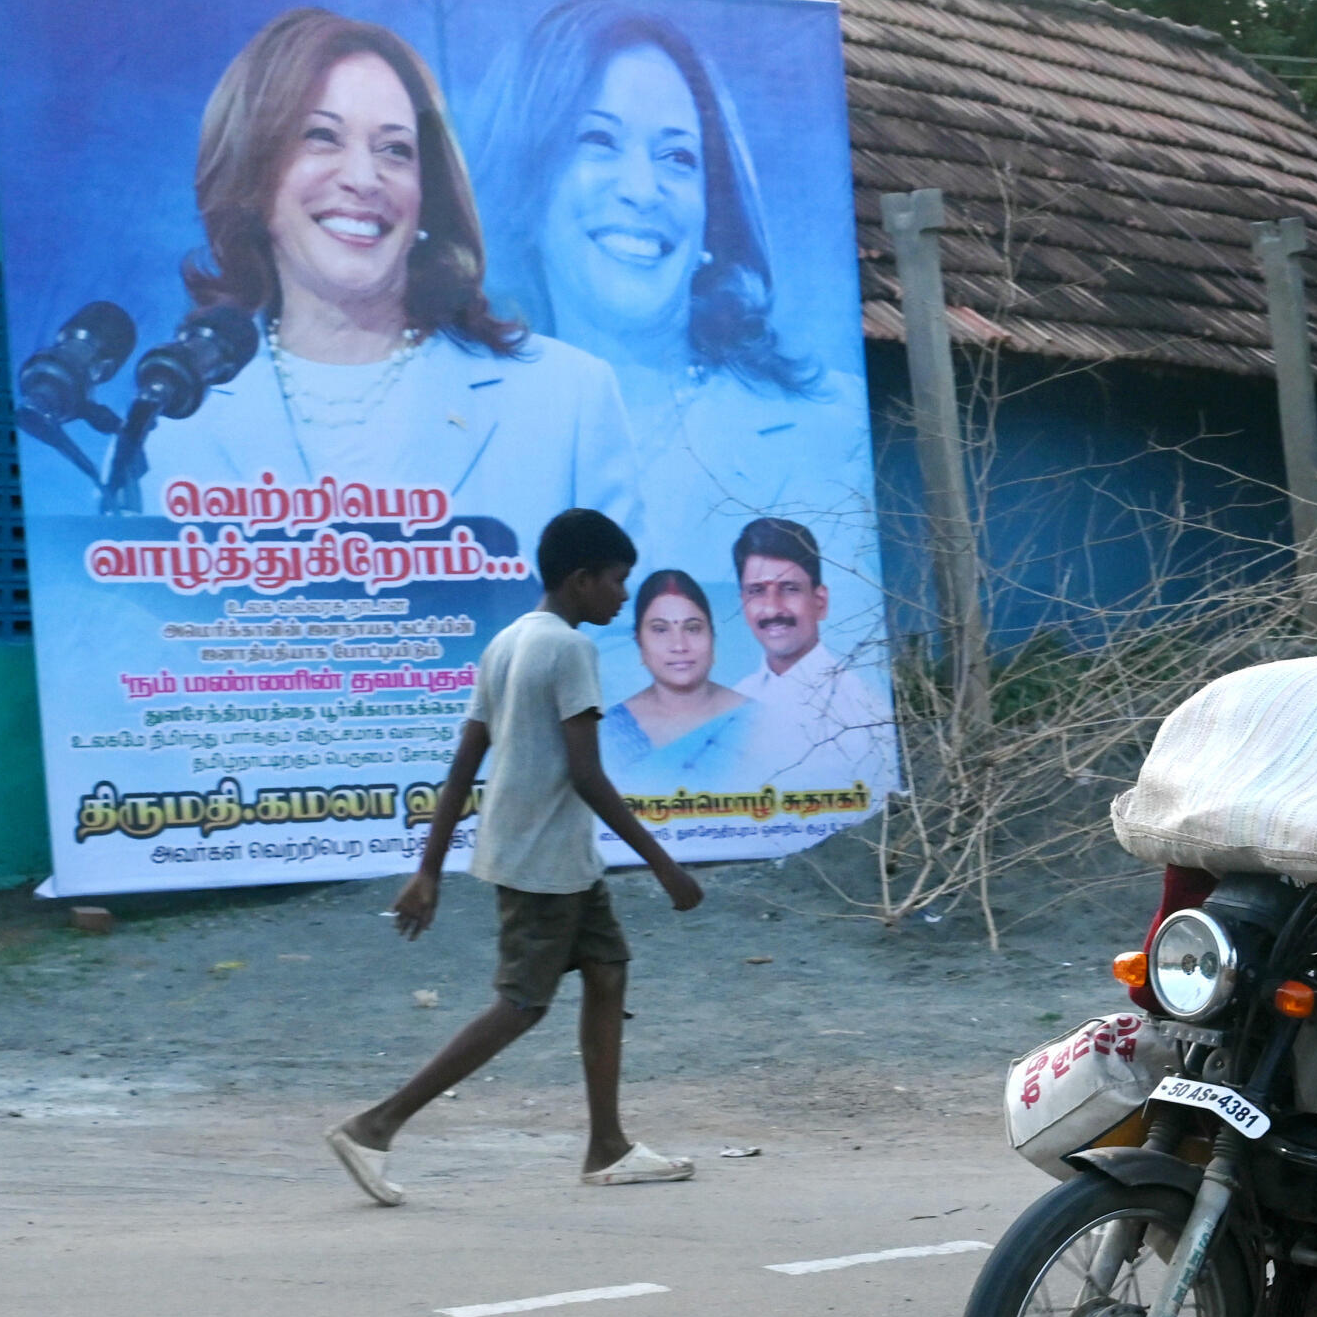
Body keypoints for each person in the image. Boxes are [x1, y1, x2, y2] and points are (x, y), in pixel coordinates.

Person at [325, 509, 705, 1205]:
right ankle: (375, 1126)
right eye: (618, 581)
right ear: (581, 578)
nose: (624, 597)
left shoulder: (506, 643)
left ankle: (607, 1147)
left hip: (551, 856)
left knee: (608, 968)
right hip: (543, 862)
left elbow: (466, 756)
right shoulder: (567, 650)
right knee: (521, 1004)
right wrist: (663, 862)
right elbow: (587, 774)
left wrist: (430, 867)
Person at [147, 8, 636, 540]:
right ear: (253, 172)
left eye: (396, 150)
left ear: (428, 195)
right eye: (321, 136)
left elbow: (622, 621)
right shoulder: (179, 421)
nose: (363, 179)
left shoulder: (570, 399)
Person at [471, 0, 864, 556]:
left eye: (677, 157)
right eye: (599, 141)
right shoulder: (449, 427)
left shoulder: (830, 425)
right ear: (527, 183)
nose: (642, 189)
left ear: (713, 210)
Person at [728, 517, 892, 788]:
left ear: (820, 602)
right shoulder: (734, 707)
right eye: (757, 591)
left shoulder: (866, 711)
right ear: (742, 605)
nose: (772, 609)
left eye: (789, 589)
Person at [599, 568, 760, 772]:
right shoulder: (612, 732)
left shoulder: (758, 721)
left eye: (692, 628)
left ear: (713, 637)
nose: (679, 645)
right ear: (639, 642)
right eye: (660, 629)